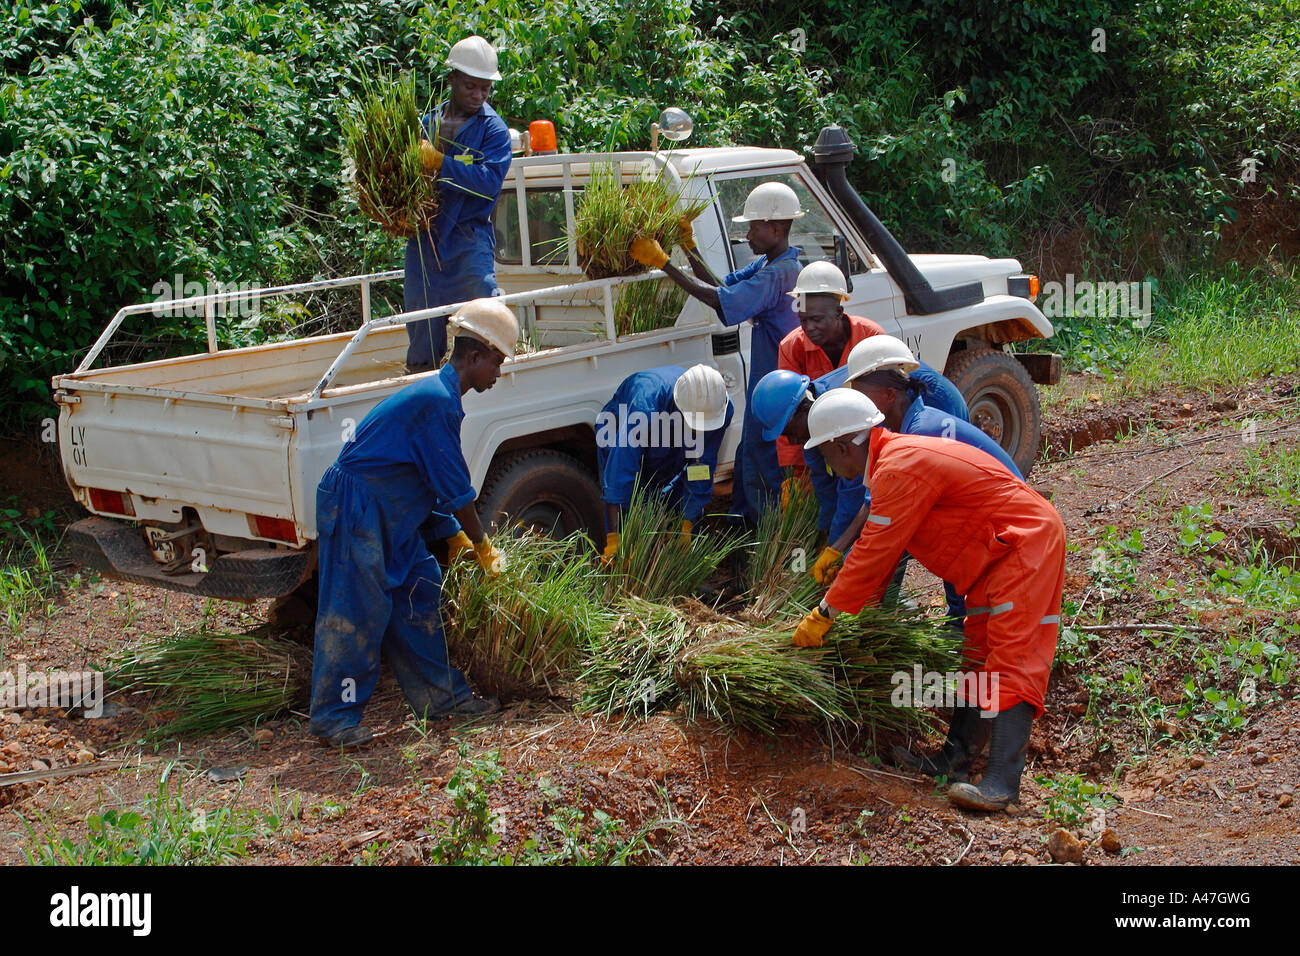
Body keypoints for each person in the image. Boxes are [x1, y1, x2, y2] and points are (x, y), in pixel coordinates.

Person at [793, 389, 1065, 811]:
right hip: (990, 559)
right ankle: (954, 759)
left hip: (1022, 546)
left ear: (845, 445)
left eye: (827, 454)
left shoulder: (900, 466)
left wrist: (825, 612)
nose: (828, 465)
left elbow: (874, 552)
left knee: (1011, 657)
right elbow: (881, 553)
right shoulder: (891, 463)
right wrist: (857, 614)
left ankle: (1001, 785)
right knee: (976, 657)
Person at [309, 299, 518, 748]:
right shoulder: (437, 401)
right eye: (497, 362)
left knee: (420, 588)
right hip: (358, 506)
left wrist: (451, 534)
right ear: (475, 356)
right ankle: (335, 717)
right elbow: (457, 488)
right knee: (356, 611)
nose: (498, 374)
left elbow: (424, 477)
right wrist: (482, 545)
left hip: (391, 510)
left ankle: (440, 698)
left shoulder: (443, 398)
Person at [628, 181, 804, 522]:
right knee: (749, 452)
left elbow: (720, 304)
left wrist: (664, 263)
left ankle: (760, 530)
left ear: (777, 228)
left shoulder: (781, 274)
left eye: (754, 227)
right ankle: (744, 518)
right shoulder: (769, 264)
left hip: (777, 385)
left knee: (761, 454)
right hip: (764, 382)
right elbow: (723, 288)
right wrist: (688, 248)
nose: (748, 235)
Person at [404, 35, 513, 373]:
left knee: (486, 310)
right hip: (426, 240)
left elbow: (488, 184)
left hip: (468, 240)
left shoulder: (493, 131)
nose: (479, 95)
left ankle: (494, 374)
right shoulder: (428, 123)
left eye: (485, 89)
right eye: (471, 87)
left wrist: (440, 163)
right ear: (451, 79)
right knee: (422, 323)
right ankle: (421, 379)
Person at [596, 364, 734, 564]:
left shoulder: (718, 409)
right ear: (681, 408)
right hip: (620, 433)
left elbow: (701, 466)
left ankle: (667, 559)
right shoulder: (645, 404)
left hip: (670, 431)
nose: (701, 432)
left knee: (673, 499)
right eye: (697, 426)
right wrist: (614, 538)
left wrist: (687, 523)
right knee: (632, 503)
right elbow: (620, 471)